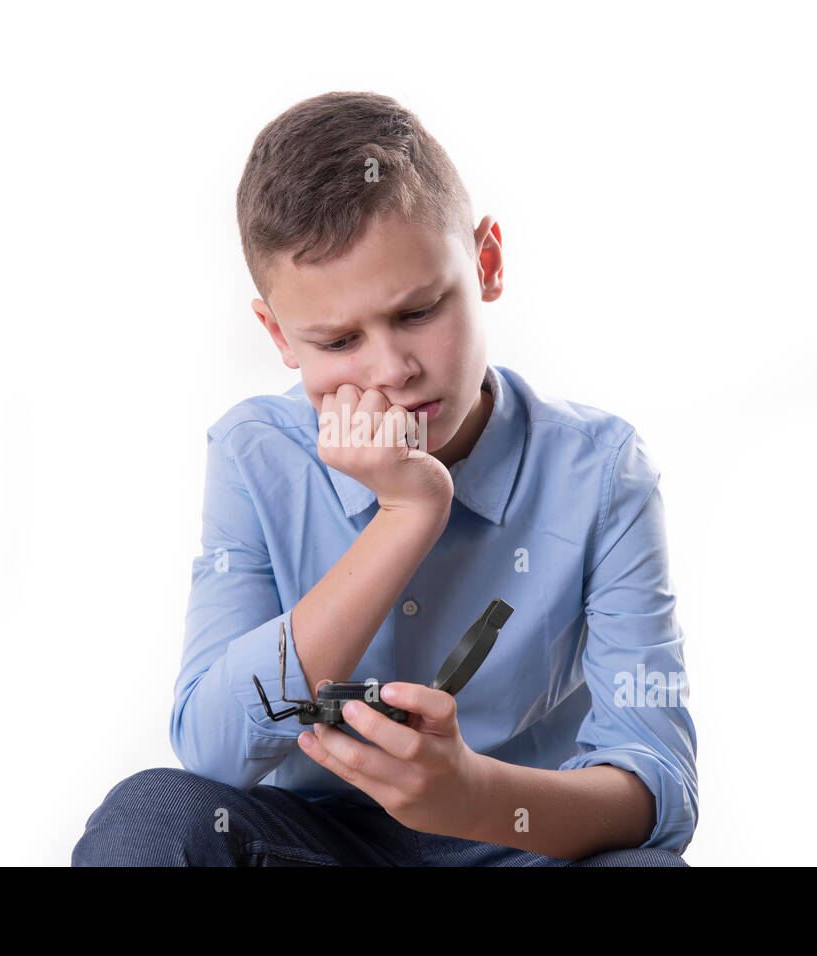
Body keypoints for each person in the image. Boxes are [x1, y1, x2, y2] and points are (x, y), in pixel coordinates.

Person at [72, 91, 697, 866]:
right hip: (323, 847)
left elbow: (658, 786)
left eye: (419, 312)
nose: (393, 371)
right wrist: (404, 517)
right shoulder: (254, 454)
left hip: (525, 840)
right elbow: (213, 750)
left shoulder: (601, 472)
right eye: (338, 342)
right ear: (279, 336)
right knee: (153, 818)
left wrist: (472, 796)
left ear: (486, 263)